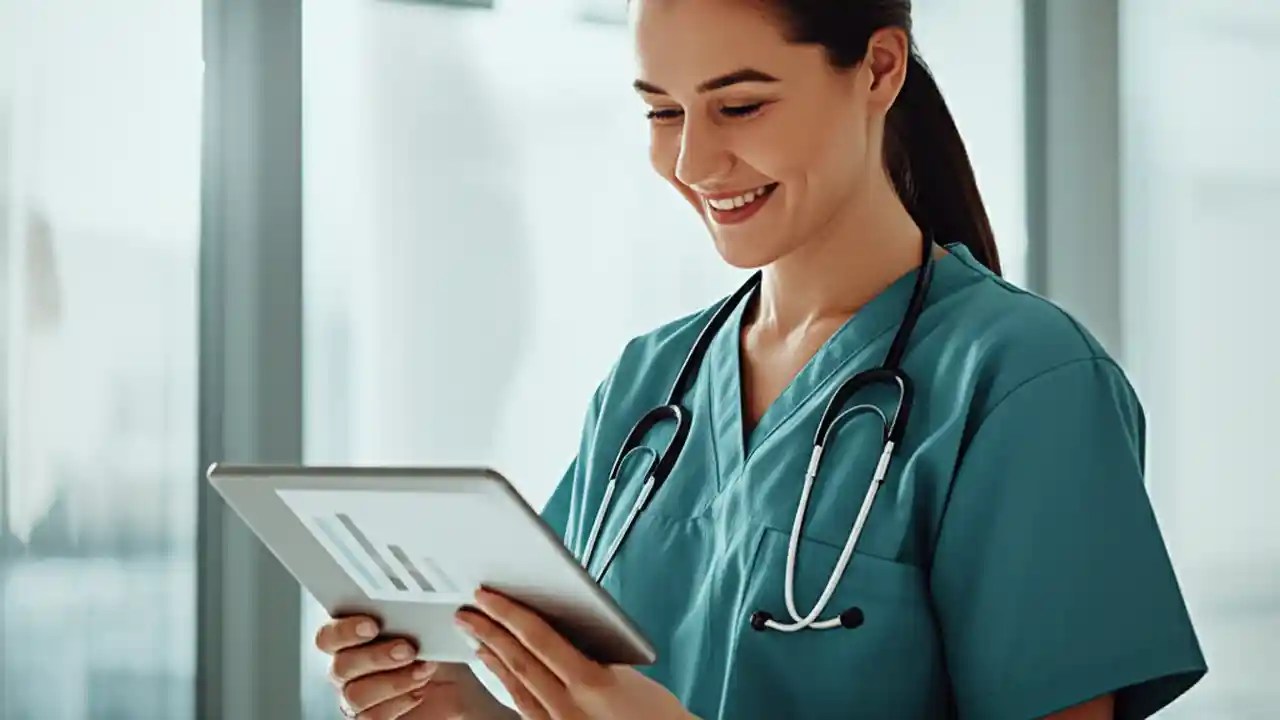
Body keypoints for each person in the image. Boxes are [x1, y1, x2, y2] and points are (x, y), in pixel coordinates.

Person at [313, 0, 1207, 717]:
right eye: (662, 111)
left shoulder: (1022, 379)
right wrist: (457, 706)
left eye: (740, 105)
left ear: (879, 70)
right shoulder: (645, 384)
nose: (693, 159)